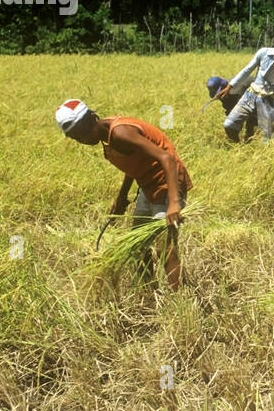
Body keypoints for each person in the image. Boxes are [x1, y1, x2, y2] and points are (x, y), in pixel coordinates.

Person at [55, 99, 193, 287]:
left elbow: (166, 159)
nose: (83, 141)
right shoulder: (108, 136)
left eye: (82, 135)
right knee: (137, 245)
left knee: (164, 247)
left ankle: (180, 301)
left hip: (167, 184)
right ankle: (148, 293)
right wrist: (121, 198)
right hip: (148, 186)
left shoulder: (120, 133)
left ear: (91, 121)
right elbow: (134, 162)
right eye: (77, 138)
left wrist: (174, 203)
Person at [205, 75, 250, 140]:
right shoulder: (223, 92)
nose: (219, 97)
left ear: (224, 87)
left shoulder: (236, 92)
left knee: (250, 125)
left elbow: (245, 110)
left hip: (258, 97)